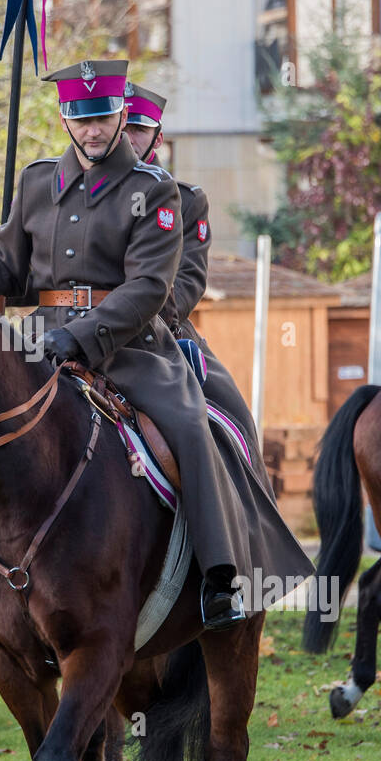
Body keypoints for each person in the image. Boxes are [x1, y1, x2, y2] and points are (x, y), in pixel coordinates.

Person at [0, 58, 312, 648]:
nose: (93, 130)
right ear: (65, 118)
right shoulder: (38, 181)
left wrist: (81, 336)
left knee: (190, 423)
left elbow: (149, 288)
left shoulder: (154, 190)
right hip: (37, 341)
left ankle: (222, 577)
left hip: (130, 348)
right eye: (81, 118)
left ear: (119, 117)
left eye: (104, 117)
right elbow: (10, 268)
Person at [122, 82, 269, 485]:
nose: (128, 137)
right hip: (73, 324)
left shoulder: (185, 200)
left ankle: (245, 533)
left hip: (159, 330)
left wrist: (143, 308)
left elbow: (188, 280)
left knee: (233, 414)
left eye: (139, 128)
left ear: (158, 137)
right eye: (123, 125)